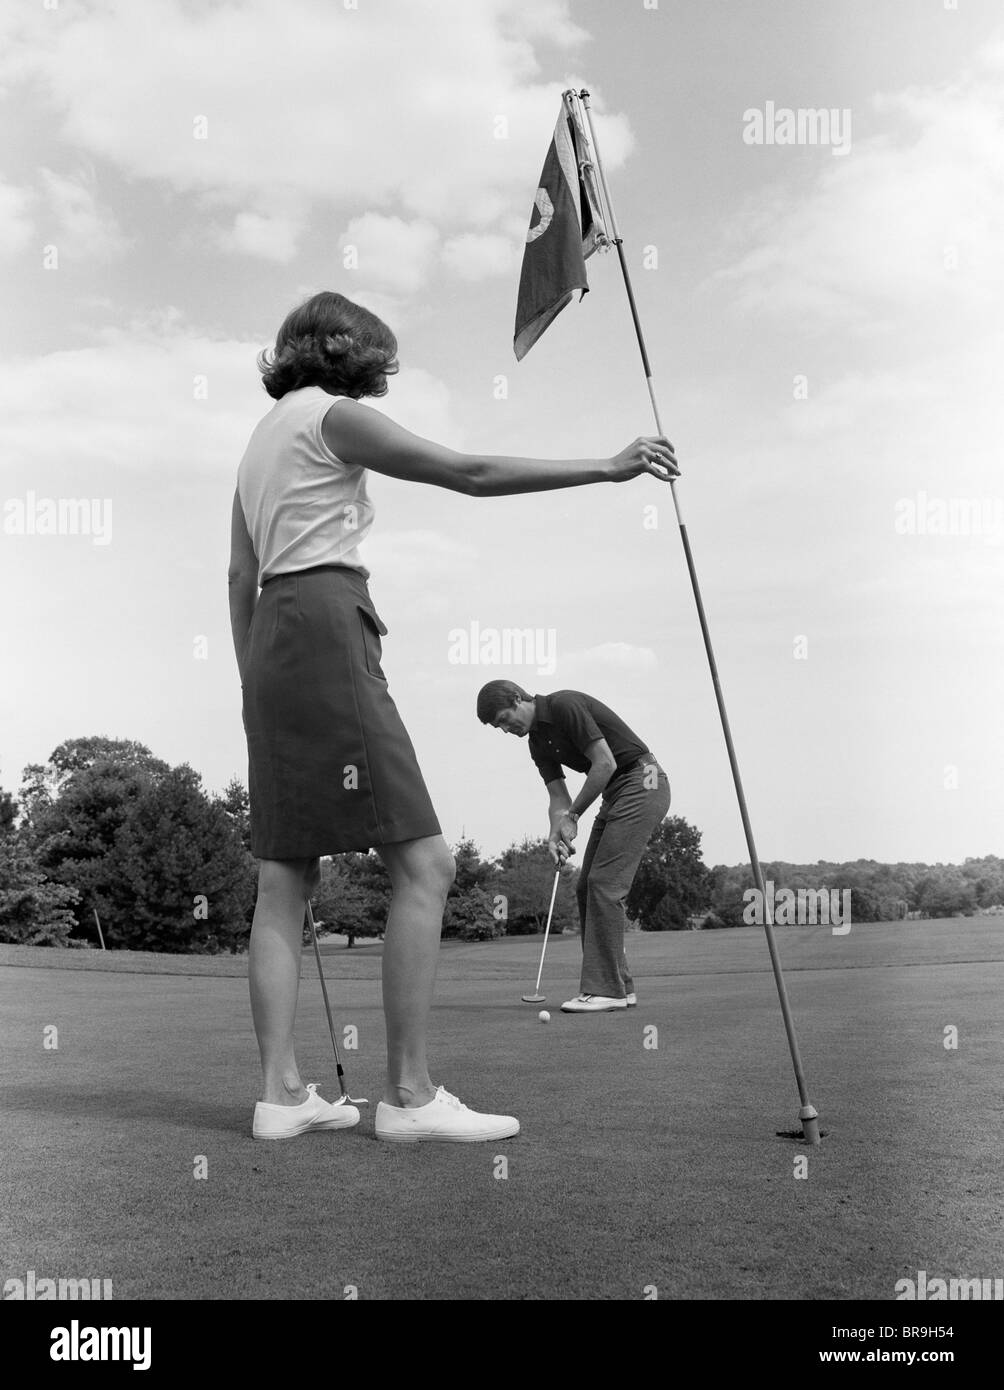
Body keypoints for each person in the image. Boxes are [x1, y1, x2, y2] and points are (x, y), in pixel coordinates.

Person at [228, 290, 679, 1141]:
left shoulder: (258, 443)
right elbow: (466, 473)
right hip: (326, 623)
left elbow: (235, 579)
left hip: (271, 646)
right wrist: (607, 468)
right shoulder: (331, 417)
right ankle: (406, 1097)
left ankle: (281, 1096)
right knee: (427, 865)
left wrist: (254, 679)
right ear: (350, 353)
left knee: (284, 878)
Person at [477, 681, 671, 1012]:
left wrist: (574, 816)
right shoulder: (537, 743)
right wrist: (557, 833)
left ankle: (605, 990)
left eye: (506, 719)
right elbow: (558, 798)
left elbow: (605, 763)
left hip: (643, 781)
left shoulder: (563, 705)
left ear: (518, 698)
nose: (507, 730)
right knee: (586, 887)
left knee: (605, 883)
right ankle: (620, 986)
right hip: (616, 792)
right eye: (500, 728)